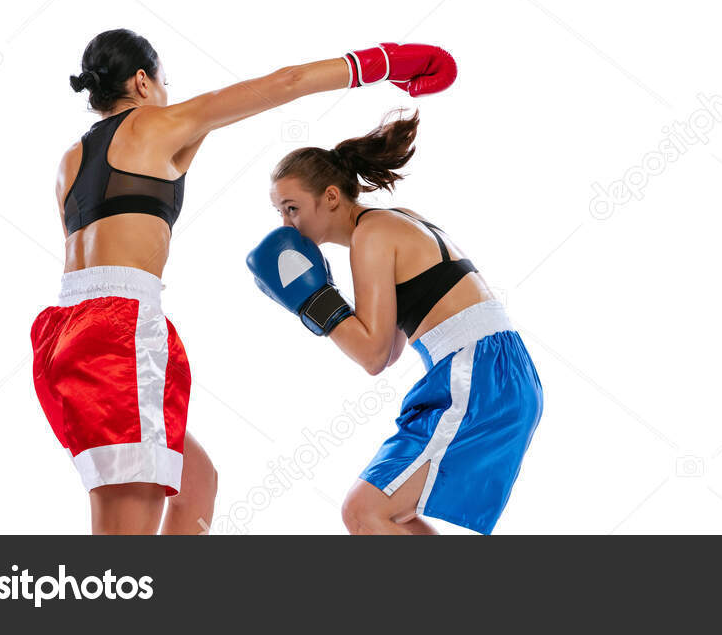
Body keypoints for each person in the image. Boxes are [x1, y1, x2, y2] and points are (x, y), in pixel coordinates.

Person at [32, 28, 456, 534]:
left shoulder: (69, 162)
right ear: (143, 82)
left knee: (197, 485)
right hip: (119, 332)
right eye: (166, 84)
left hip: (64, 335)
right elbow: (289, 81)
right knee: (124, 536)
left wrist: (212, 116)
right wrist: (386, 63)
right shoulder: (156, 124)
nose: (172, 99)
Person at [246, 110, 543, 534]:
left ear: (330, 197)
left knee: (365, 510)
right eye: (279, 211)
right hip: (491, 371)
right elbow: (387, 352)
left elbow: (370, 355)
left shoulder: (372, 236)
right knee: (386, 510)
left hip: (480, 372)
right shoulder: (388, 221)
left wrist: (312, 301)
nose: (286, 224)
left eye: (292, 209)